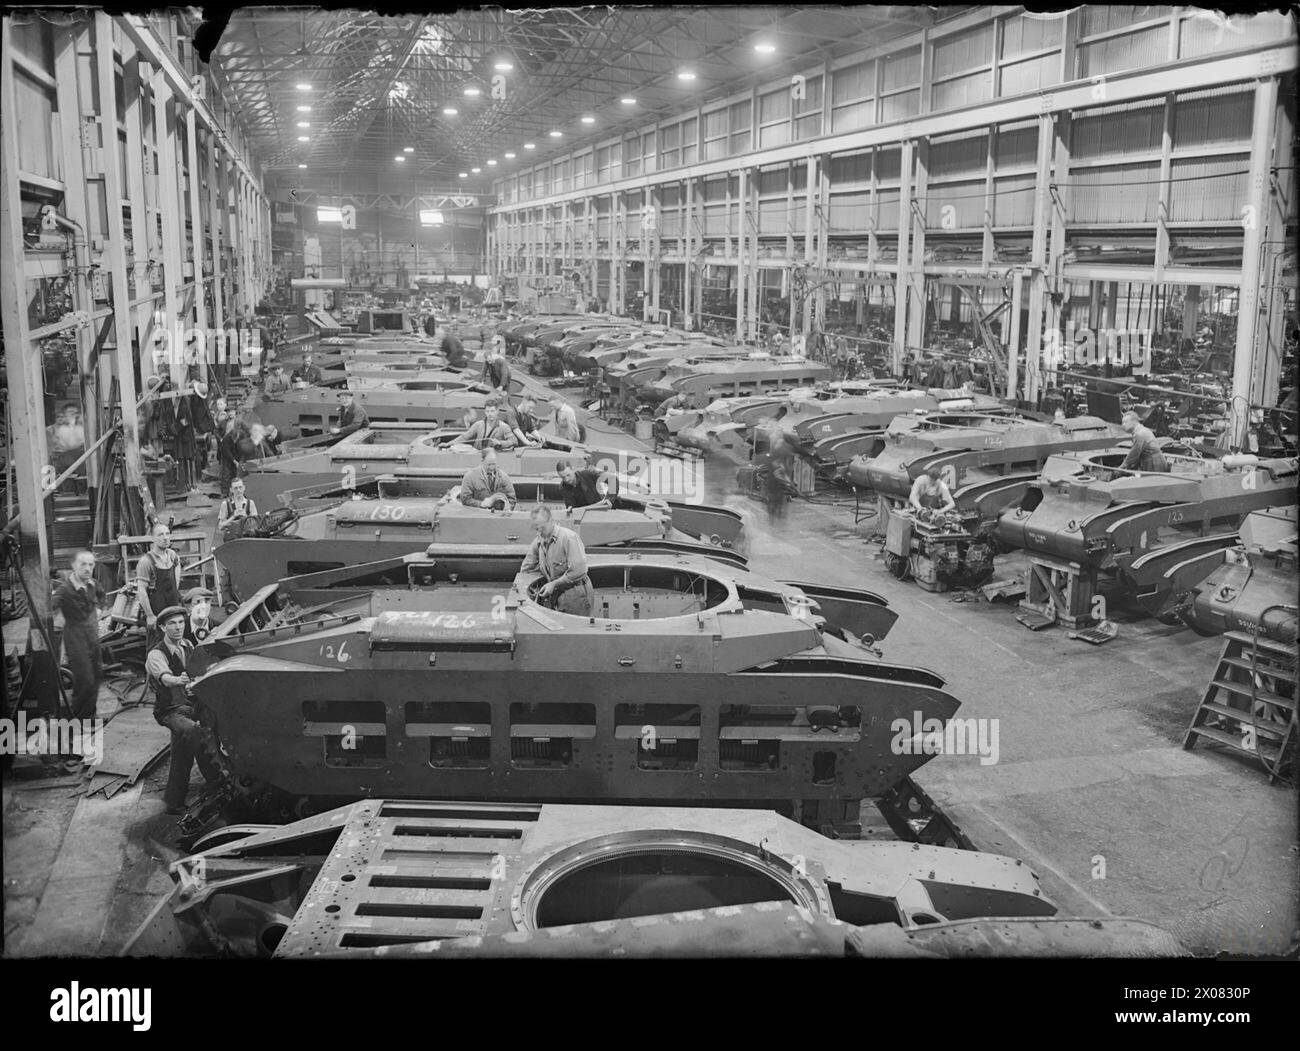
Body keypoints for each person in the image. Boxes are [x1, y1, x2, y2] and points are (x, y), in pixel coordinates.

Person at [146, 605, 220, 815]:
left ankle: (177, 799)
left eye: (180, 622)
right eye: (172, 624)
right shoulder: (156, 654)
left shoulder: (187, 644)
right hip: (170, 710)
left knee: (187, 747)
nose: (178, 627)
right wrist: (180, 680)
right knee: (193, 733)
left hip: (189, 705)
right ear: (163, 627)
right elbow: (165, 678)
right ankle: (213, 781)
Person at [52, 550, 103, 719]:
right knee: (85, 680)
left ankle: (90, 716)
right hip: (75, 639)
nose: (88, 568)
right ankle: (79, 718)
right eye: (83, 564)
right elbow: (48, 607)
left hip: (92, 637)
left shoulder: (94, 584)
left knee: (97, 676)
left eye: (91, 564)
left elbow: (101, 596)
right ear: (74, 565)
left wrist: (98, 611)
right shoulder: (64, 590)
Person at [520, 504, 595, 617]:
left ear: (551, 521)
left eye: (542, 528)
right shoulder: (540, 540)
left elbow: (578, 571)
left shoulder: (569, 538)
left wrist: (554, 584)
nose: (539, 532)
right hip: (555, 596)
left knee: (575, 627)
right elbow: (527, 568)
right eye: (536, 529)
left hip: (576, 596)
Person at [136, 522, 182, 639]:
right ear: (153, 538)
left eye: (167, 534)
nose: (165, 538)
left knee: (175, 641)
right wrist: (150, 615)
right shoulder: (146, 561)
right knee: (157, 644)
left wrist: (175, 587)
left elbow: (177, 565)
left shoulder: (172, 555)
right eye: (160, 534)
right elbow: (141, 591)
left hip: (172, 610)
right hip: (156, 613)